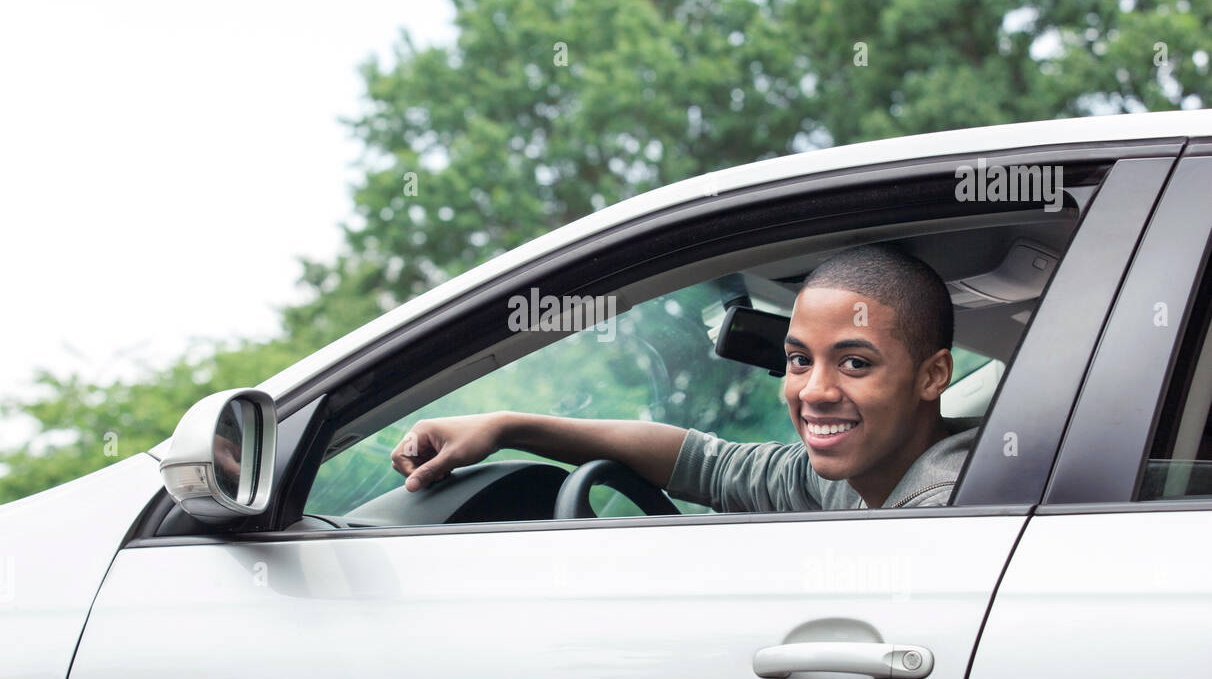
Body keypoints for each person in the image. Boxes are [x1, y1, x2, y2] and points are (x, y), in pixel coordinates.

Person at [390, 244, 978, 512]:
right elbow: (704, 463)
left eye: (854, 363)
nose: (815, 391)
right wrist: (505, 426)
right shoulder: (850, 477)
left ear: (933, 377)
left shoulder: (948, 505)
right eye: (800, 359)